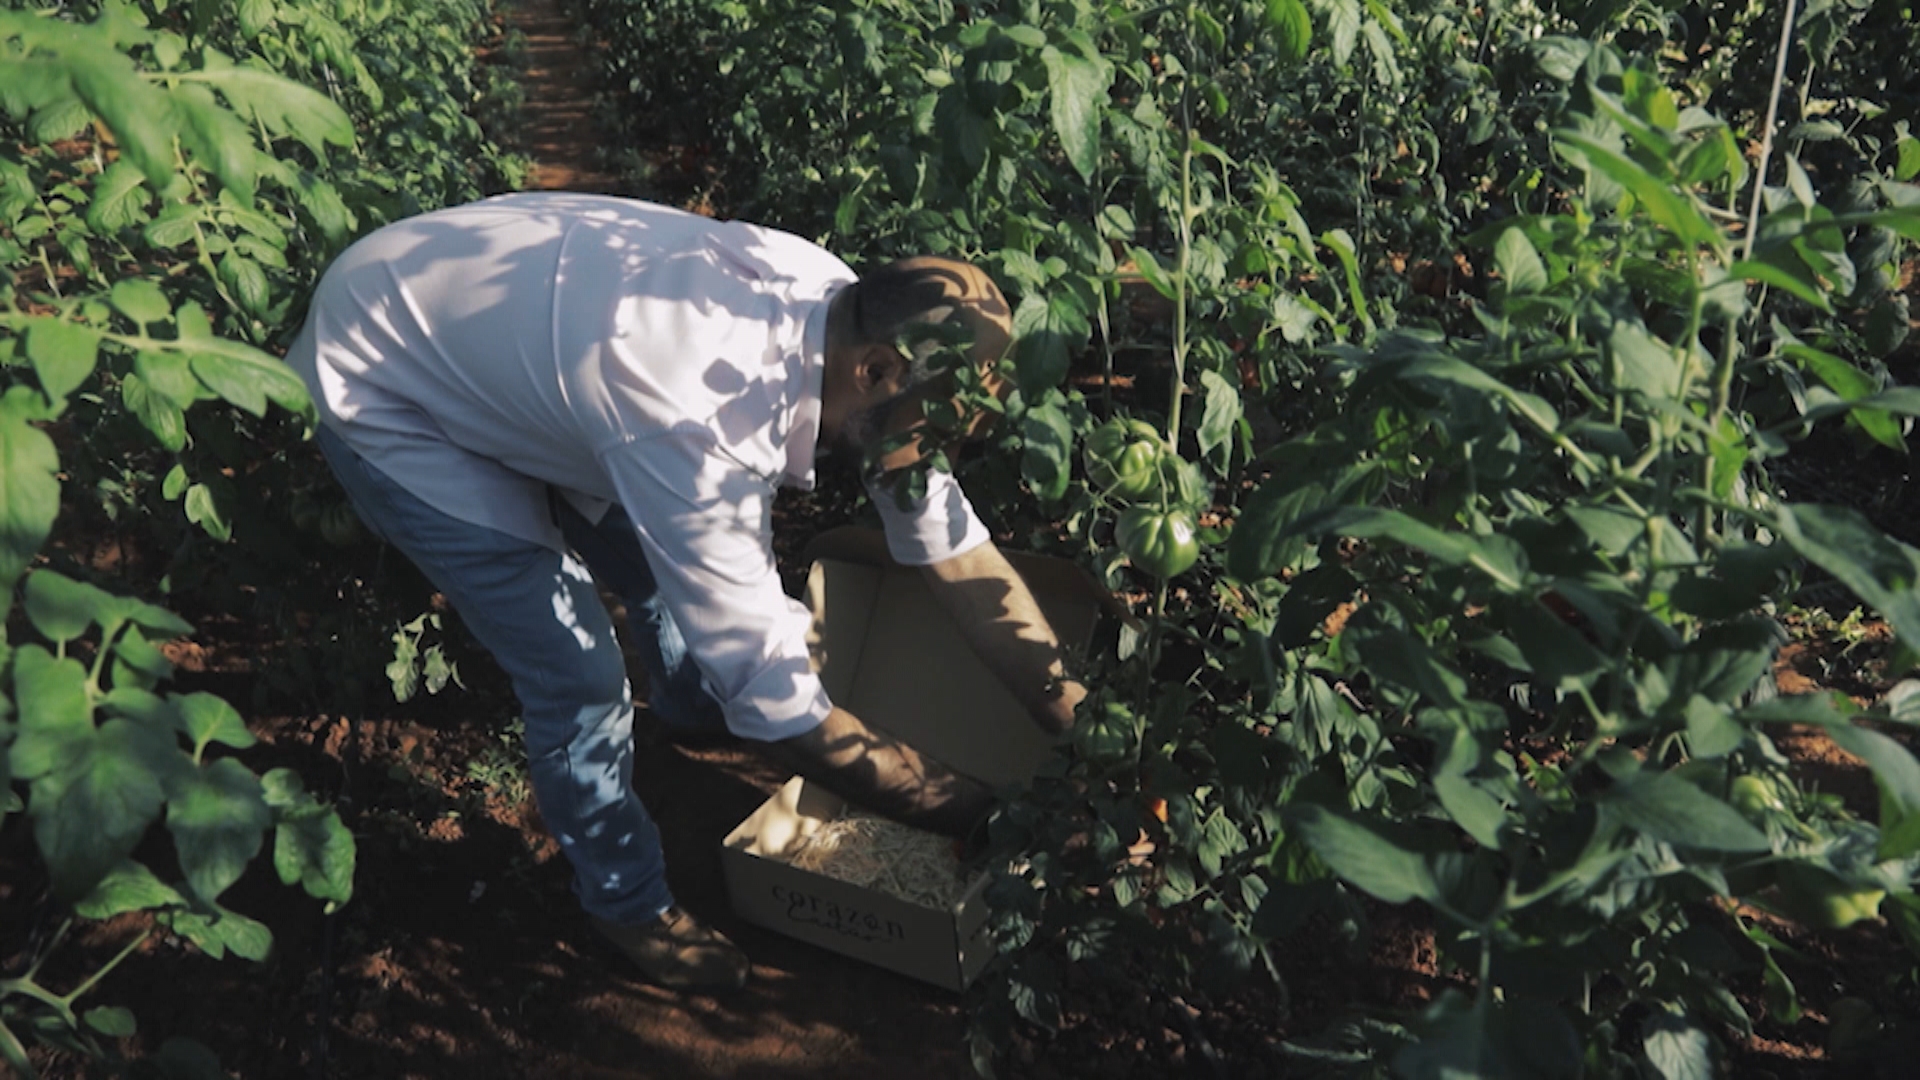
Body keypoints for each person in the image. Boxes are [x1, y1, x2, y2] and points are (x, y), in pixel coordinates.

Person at [285, 191, 1084, 992]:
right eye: (929, 430)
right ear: (873, 371)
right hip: (382, 382)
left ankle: (687, 703)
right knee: (578, 678)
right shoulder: (697, 433)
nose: (928, 457)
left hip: (481, 313)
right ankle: (625, 905)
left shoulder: (843, 307)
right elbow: (789, 717)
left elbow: (959, 556)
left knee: (654, 563)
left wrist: (1081, 732)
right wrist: (990, 819)